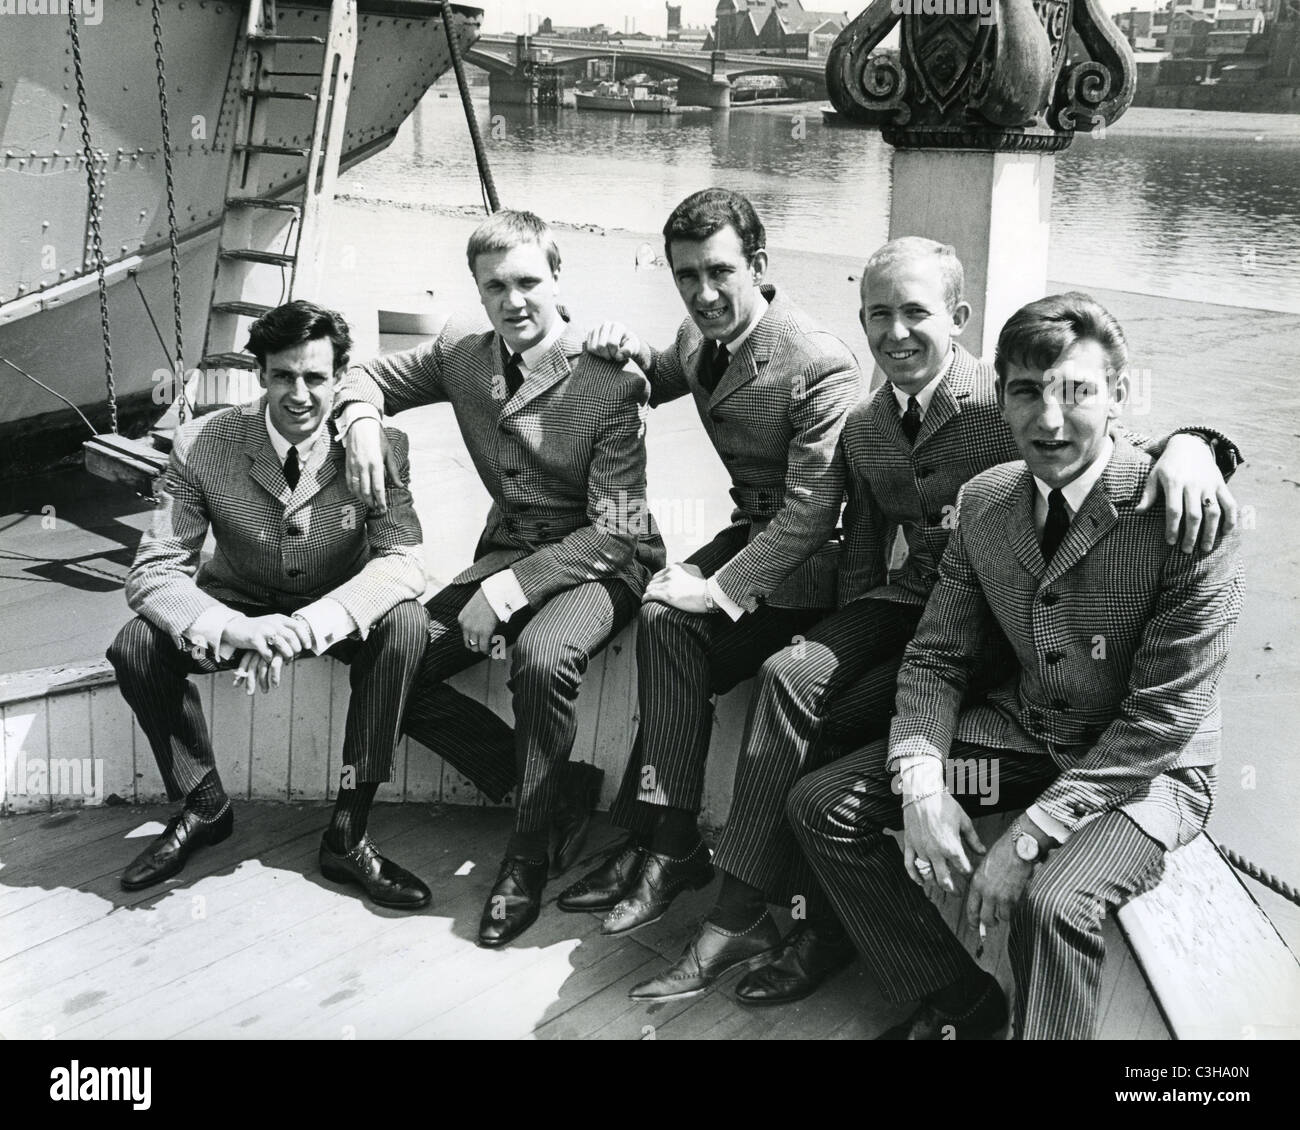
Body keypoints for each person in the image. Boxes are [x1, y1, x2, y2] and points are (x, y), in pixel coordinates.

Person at [625, 238, 1243, 1004]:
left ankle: (779, 916)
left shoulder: (1098, 459)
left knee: (1043, 897)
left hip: (1104, 738)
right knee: (812, 724)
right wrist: (917, 780)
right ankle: (835, 937)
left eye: (916, 312)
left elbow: (1100, 450)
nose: (896, 333)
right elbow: (874, 573)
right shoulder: (899, 444)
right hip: (974, 670)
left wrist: (1198, 444)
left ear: (958, 319)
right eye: (877, 315)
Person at [787, 291, 1245, 1040]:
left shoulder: (1188, 520)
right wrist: (923, 780)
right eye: (1027, 392)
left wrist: (1027, 837)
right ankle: (961, 1002)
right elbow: (937, 657)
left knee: (1055, 902)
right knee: (825, 805)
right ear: (1001, 397)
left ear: (1120, 396)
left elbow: (1161, 723)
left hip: (1145, 772)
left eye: (1077, 392)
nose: (1050, 420)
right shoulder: (985, 501)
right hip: (1026, 737)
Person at [336, 209, 666, 948]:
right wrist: (359, 415)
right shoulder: (461, 352)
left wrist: (505, 593)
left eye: (527, 282)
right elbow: (361, 372)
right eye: (496, 288)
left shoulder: (610, 380)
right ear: (478, 294)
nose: (514, 302)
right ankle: (549, 792)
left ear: (557, 278)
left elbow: (618, 527)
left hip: (603, 562)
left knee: (542, 656)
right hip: (507, 550)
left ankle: (525, 854)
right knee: (394, 661)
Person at [563, 189, 861, 969]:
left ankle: (662, 845)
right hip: (750, 530)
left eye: (720, 272)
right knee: (664, 623)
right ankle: (663, 843)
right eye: (686, 275)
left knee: (675, 620)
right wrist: (616, 347)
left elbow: (810, 512)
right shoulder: (700, 334)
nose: (703, 292)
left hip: (811, 567)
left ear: (759, 267)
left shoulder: (818, 360)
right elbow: (663, 375)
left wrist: (719, 589)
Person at [109, 300, 432, 910]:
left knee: (408, 625)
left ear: (341, 378)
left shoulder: (381, 445)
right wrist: (236, 629)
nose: (300, 394)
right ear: (260, 374)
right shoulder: (200, 442)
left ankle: (348, 831)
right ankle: (204, 806)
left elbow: (404, 561)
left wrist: (310, 625)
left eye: (315, 377)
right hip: (240, 602)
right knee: (134, 644)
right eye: (283, 375)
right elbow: (153, 568)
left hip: (336, 607)